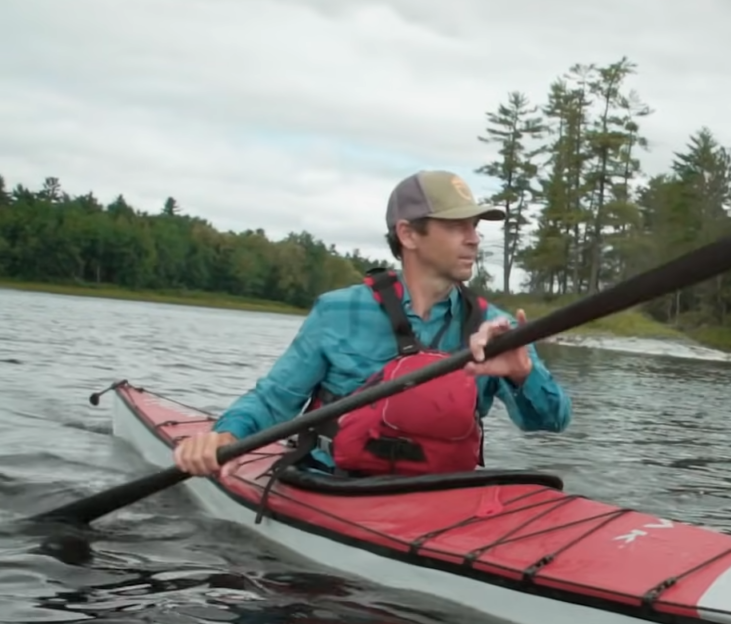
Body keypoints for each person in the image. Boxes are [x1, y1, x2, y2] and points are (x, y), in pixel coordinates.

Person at [172, 169, 571, 479]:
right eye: (456, 227)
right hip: (333, 485)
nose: (473, 240)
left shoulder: (493, 325)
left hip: (441, 493)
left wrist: (523, 373)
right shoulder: (337, 312)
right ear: (408, 234)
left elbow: (552, 421)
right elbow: (274, 401)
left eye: (475, 227)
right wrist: (226, 437)